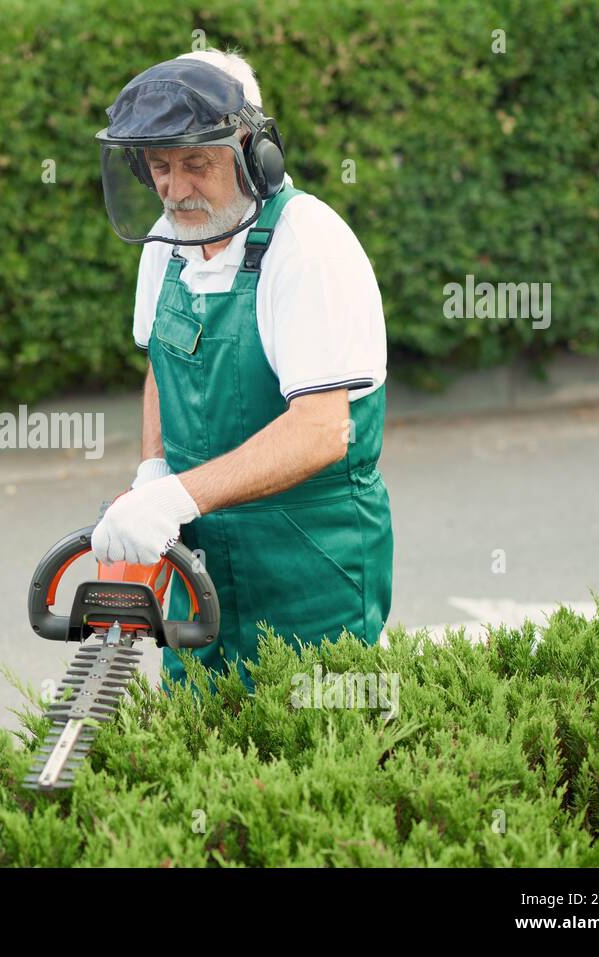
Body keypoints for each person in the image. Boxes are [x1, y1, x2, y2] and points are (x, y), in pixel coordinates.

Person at [89, 50, 394, 691]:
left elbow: (321, 431)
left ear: (254, 153)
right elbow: (161, 360)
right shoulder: (168, 240)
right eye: (160, 168)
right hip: (199, 580)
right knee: (200, 759)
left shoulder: (308, 247)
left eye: (196, 164)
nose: (176, 188)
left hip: (312, 576)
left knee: (320, 764)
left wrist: (175, 497)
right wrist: (153, 472)